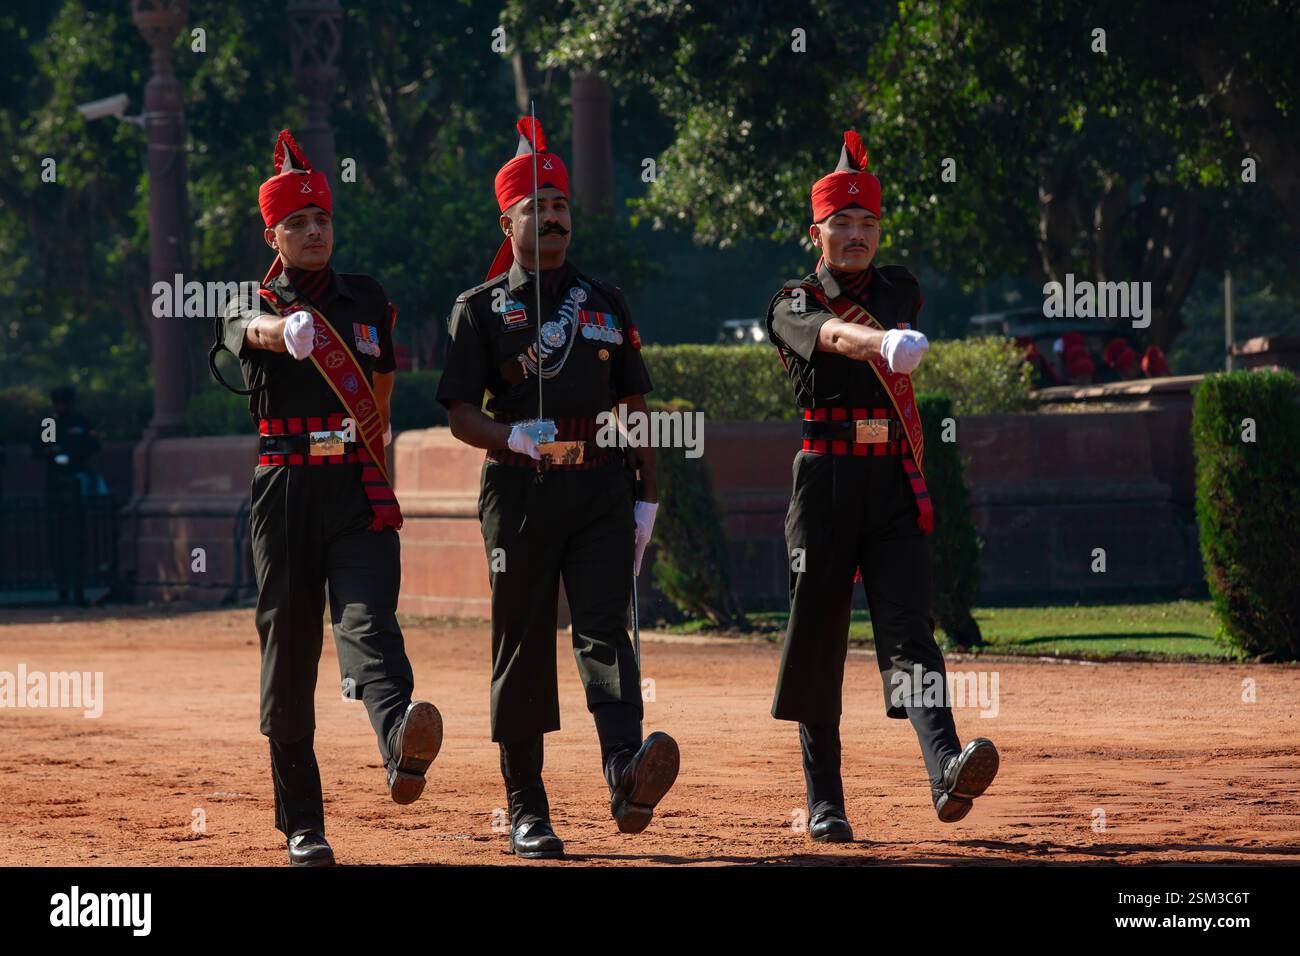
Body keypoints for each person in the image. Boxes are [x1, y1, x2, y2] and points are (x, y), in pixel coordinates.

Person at [436, 117, 679, 860]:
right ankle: (525, 807)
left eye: (560, 204)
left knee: (607, 631)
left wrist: (647, 497)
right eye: (535, 204)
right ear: (507, 220)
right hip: (519, 493)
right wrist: (507, 435)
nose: (552, 216)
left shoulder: (605, 300)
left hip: (602, 489)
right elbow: (457, 412)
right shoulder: (478, 309)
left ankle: (624, 772)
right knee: (523, 643)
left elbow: (634, 408)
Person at [764, 130, 999, 843]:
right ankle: (825, 799)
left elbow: (888, 310)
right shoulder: (791, 302)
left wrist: (892, 331)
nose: (857, 234)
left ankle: (946, 768)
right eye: (843, 222)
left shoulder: (900, 286)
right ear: (818, 231)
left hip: (892, 476)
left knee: (911, 628)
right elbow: (833, 337)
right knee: (820, 640)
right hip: (827, 482)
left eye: (868, 221)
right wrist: (881, 343)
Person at [217, 129, 442, 866]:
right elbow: (236, 341)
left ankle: (398, 741)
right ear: (273, 235)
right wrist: (283, 332)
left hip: (354, 483)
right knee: (291, 655)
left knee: (368, 621)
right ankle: (303, 823)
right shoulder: (251, 306)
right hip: (284, 489)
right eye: (299, 224)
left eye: (323, 220)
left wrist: (376, 467)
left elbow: (380, 394)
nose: (315, 232)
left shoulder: (369, 299)